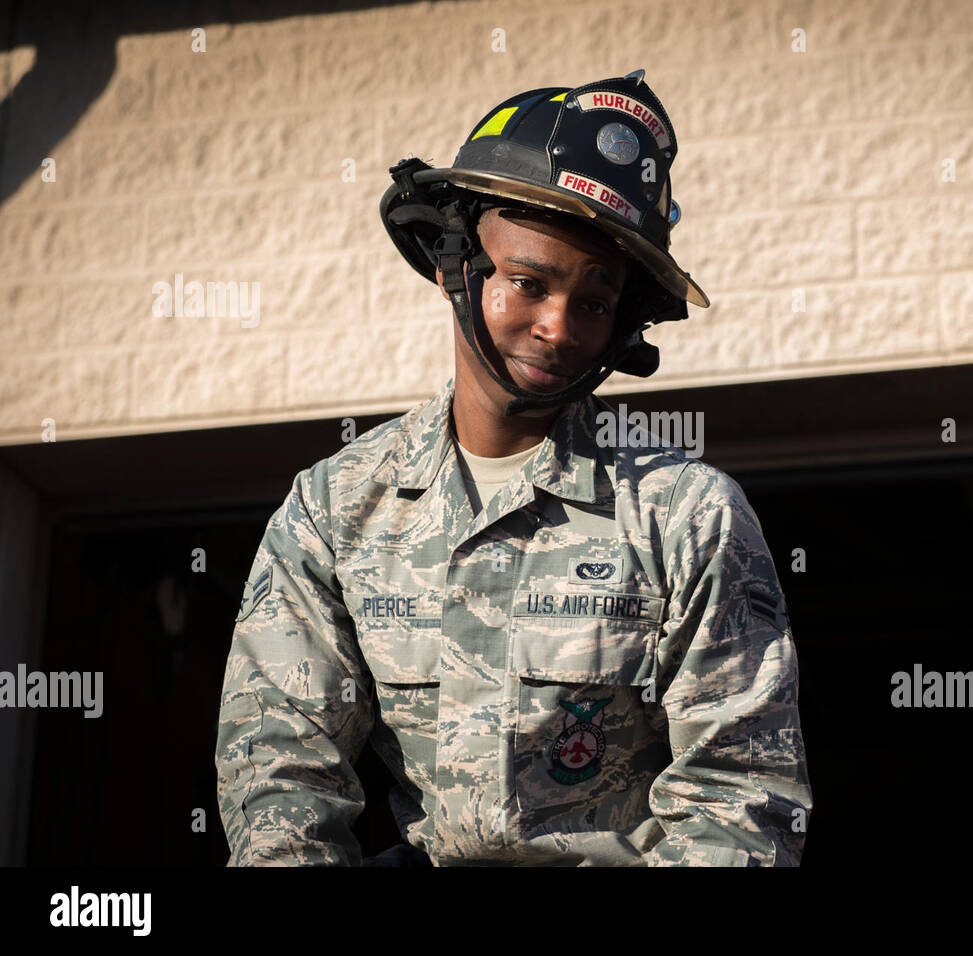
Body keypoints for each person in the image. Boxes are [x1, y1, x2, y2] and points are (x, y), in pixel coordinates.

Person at [214, 70, 812, 866]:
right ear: (453, 265)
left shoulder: (685, 513)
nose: (558, 328)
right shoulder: (334, 508)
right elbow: (279, 774)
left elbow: (738, 795)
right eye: (527, 284)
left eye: (594, 304)